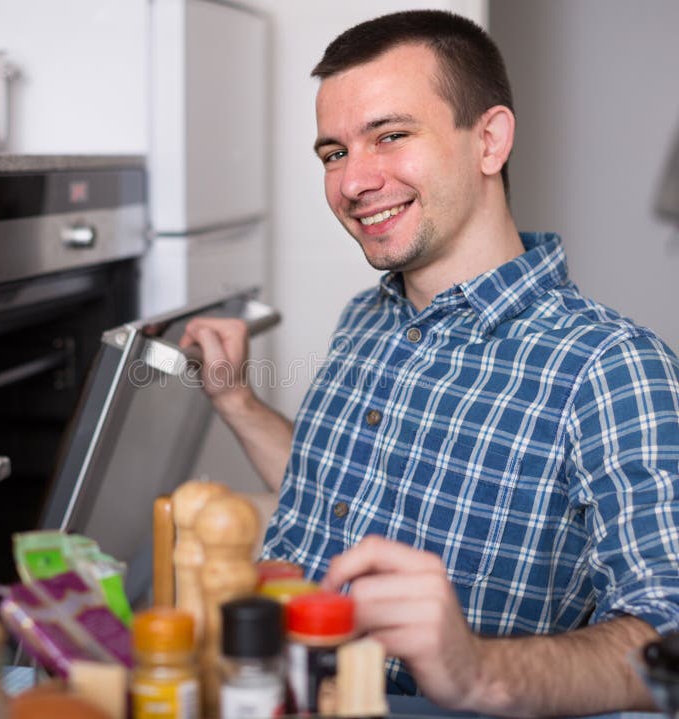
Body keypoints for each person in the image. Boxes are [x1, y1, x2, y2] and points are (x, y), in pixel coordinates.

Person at [179, 9, 679, 717]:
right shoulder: (366, 317)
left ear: (490, 140)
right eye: (333, 153)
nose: (354, 181)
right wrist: (236, 402)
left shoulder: (612, 368)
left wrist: (475, 668)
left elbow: (669, 639)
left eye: (390, 136)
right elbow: (335, 492)